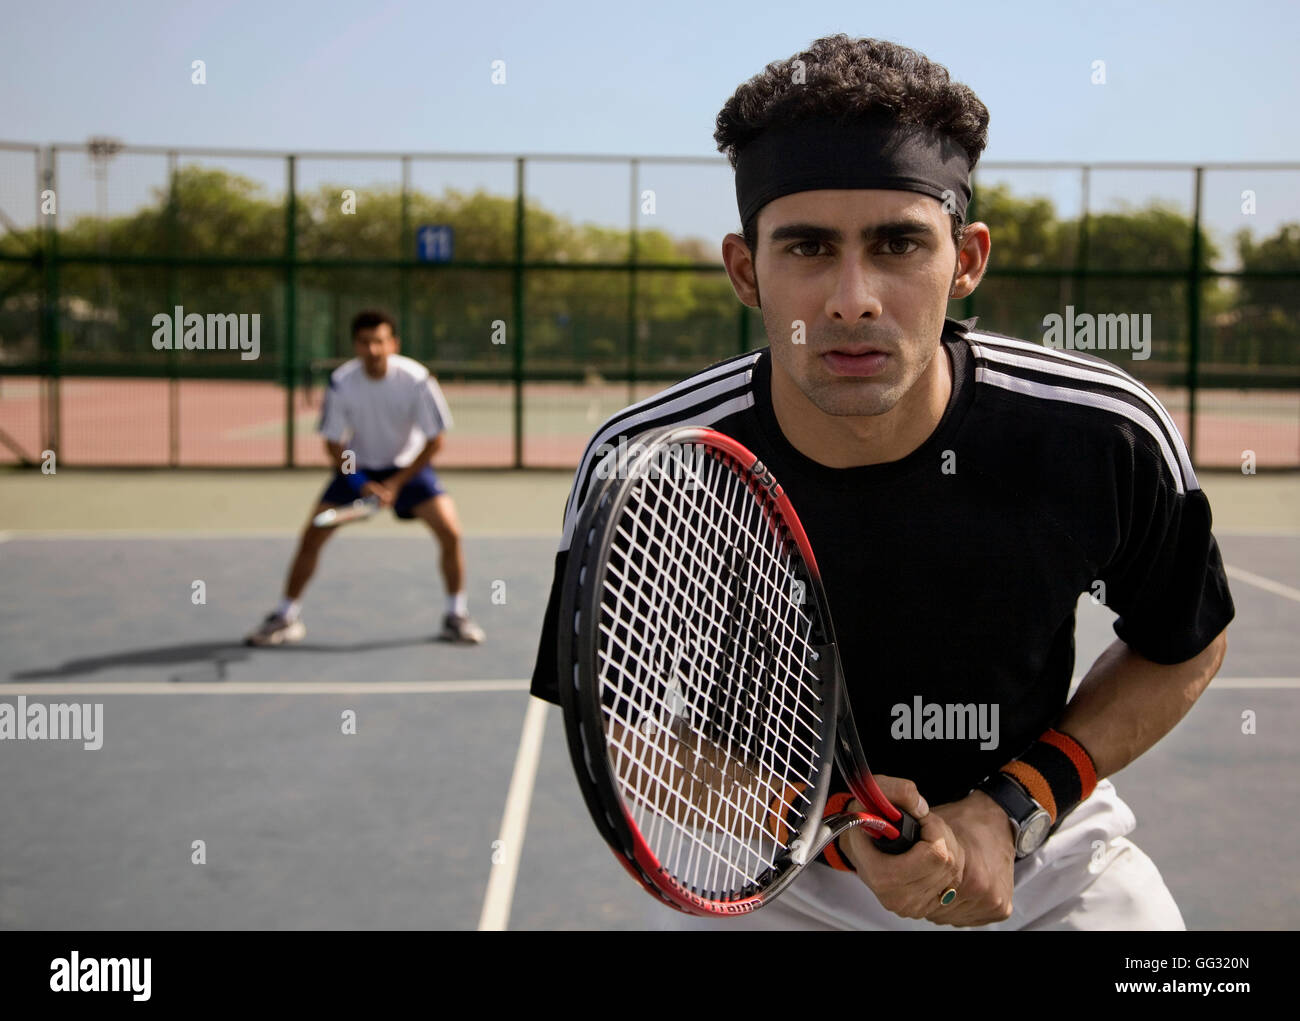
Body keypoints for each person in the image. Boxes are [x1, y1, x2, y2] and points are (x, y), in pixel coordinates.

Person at [529, 35, 1234, 930]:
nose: (852, 297)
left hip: (1049, 859)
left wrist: (1012, 805)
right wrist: (825, 818)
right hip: (781, 873)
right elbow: (621, 730)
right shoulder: (645, 460)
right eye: (809, 248)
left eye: (898, 244)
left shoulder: (1104, 432)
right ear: (747, 271)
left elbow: (1184, 640)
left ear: (967, 259)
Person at [246, 308, 485, 647]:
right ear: (355, 346)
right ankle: (286, 616)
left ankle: (456, 615)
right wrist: (360, 482)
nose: (372, 350)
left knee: (451, 533)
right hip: (357, 469)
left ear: (393, 344)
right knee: (312, 535)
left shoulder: (417, 380)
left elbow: (436, 442)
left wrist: (396, 484)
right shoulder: (343, 382)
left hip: (408, 469)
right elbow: (333, 445)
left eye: (379, 341)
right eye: (364, 342)